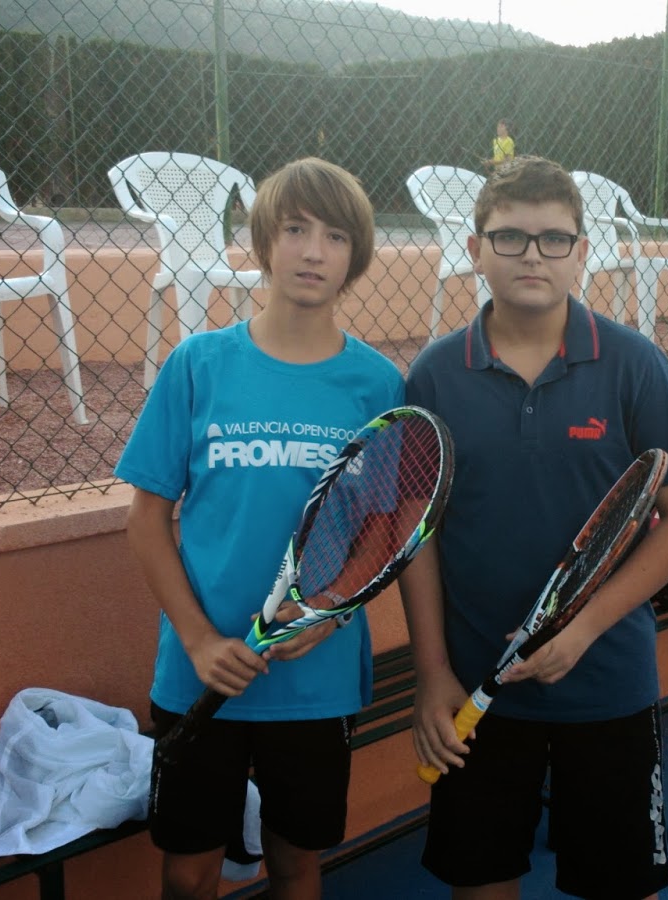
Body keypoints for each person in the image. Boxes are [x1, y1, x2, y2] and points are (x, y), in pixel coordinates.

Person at [399, 155, 668, 900]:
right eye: (509, 237)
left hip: (607, 688)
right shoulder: (436, 377)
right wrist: (432, 673)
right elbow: (417, 537)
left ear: (582, 252)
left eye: (553, 238)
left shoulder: (634, 365)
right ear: (475, 250)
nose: (532, 255)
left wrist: (582, 630)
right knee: (480, 883)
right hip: (478, 695)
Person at [115, 156, 402, 900]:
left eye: (335, 237)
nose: (313, 251)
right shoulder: (198, 363)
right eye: (296, 230)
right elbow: (147, 519)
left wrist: (332, 611)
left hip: (313, 683)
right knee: (188, 871)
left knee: (297, 865)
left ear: (356, 257)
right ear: (263, 242)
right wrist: (201, 640)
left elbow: (384, 525)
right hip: (198, 673)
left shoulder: (376, 385)